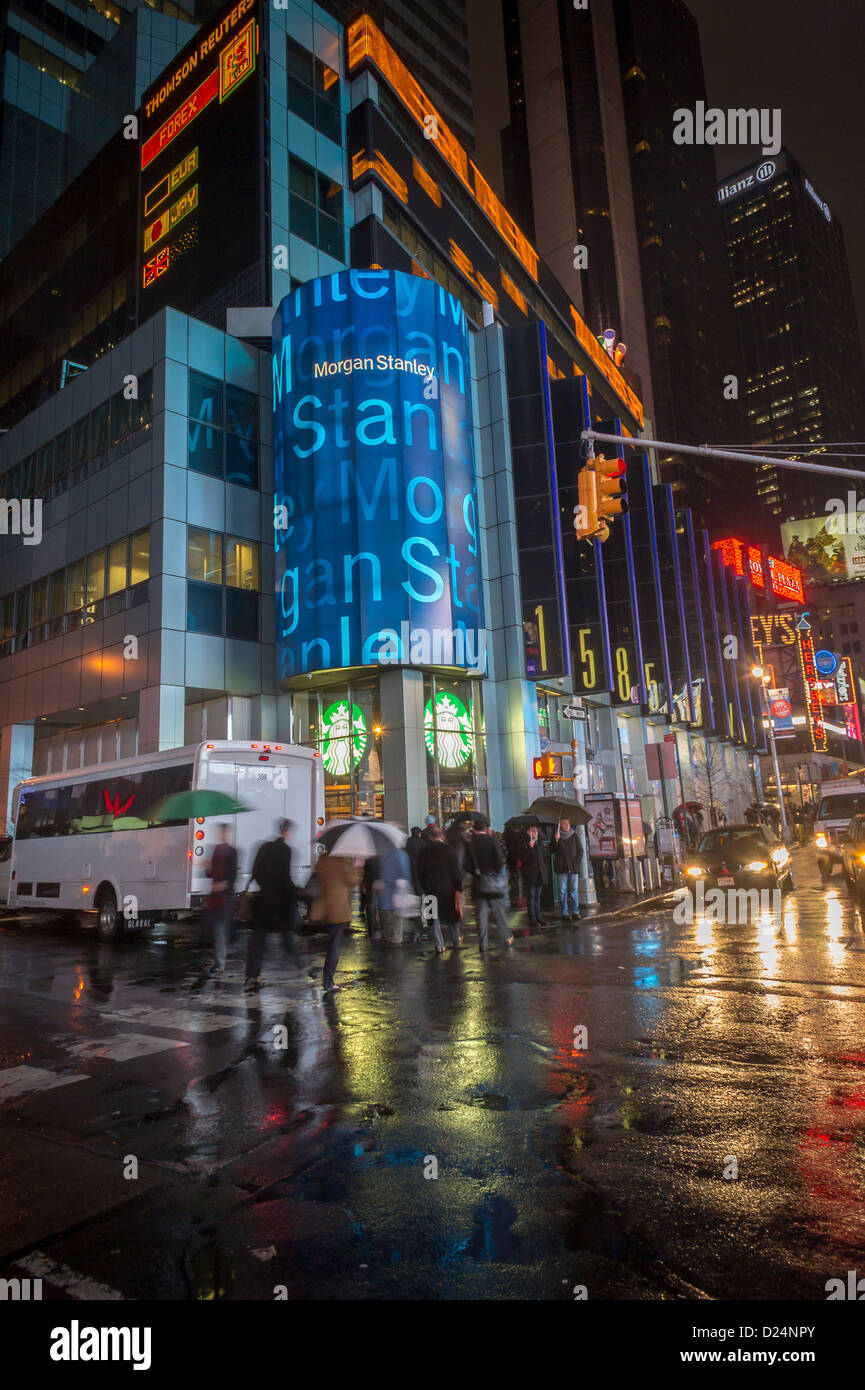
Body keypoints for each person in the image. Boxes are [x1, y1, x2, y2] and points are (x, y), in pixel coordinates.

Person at [244, 818, 298, 992]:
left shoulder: (264, 847)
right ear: (287, 832)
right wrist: (297, 892)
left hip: (262, 903)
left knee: (258, 940)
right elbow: (285, 878)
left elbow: (255, 872)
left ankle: (252, 976)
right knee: (286, 937)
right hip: (279, 904)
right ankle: (302, 966)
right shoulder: (286, 850)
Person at [308, 849, 361, 993]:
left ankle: (316, 968)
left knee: (330, 940)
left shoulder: (323, 858)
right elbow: (352, 881)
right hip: (338, 909)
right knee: (333, 946)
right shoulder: (341, 860)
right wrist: (357, 866)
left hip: (324, 907)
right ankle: (328, 982)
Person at [466, 819, 513, 953]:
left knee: (481, 915)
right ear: (486, 828)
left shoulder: (471, 844)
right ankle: (506, 937)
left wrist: (476, 872)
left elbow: (466, 864)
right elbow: (499, 861)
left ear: (474, 829)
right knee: (499, 913)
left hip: (479, 883)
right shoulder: (492, 841)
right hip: (493, 883)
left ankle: (483, 943)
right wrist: (495, 872)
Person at [417, 827, 463, 953]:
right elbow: (455, 871)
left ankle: (439, 945)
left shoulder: (424, 851)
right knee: (452, 918)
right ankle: (455, 940)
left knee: (434, 918)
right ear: (442, 837)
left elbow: (420, 872)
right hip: (448, 889)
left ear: (431, 837)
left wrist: (424, 887)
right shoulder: (450, 850)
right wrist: (458, 888)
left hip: (430, 890)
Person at [205, 823, 237, 972]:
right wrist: (206, 867)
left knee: (220, 929)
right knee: (217, 930)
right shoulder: (216, 850)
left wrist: (221, 885)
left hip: (225, 896)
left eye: (223, 832)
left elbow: (232, 877)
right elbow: (209, 874)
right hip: (215, 896)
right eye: (220, 832)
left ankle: (220, 963)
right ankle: (219, 960)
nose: (222, 835)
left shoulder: (232, 852)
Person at [376, 841, 415, 946]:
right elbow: (404, 872)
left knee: (392, 915)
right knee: (395, 915)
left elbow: (382, 870)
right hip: (394, 889)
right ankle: (395, 937)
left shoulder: (387, 855)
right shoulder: (400, 855)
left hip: (390, 890)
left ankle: (393, 937)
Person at [553, 817, 582, 923]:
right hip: (561, 868)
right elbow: (552, 850)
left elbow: (580, 850)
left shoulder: (574, 835)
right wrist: (556, 841)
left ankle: (575, 912)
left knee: (574, 890)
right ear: (560, 825)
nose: (567, 825)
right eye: (564, 824)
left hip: (573, 867)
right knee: (562, 891)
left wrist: (576, 862)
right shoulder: (557, 836)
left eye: (568, 823)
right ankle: (564, 913)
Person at [520, 825, 548, 928]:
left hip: (540, 874)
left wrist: (545, 869)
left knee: (538, 897)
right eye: (533, 831)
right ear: (528, 832)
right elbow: (522, 858)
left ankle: (539, 917)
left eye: (536, 831)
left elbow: (544, 858)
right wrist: (529, 848)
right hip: (530, 874)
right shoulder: (525, 843)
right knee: (531, 896)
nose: (535, 833)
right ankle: (532, 919)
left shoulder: (539, 843)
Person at [361, 854, 381, 940]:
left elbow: (365, 872)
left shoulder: (368, 858)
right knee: (374, 906)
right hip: (376, 882)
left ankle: (372, 930)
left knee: (371, 906)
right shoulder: (379, 857)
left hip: (370, 883)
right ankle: (375, 928)